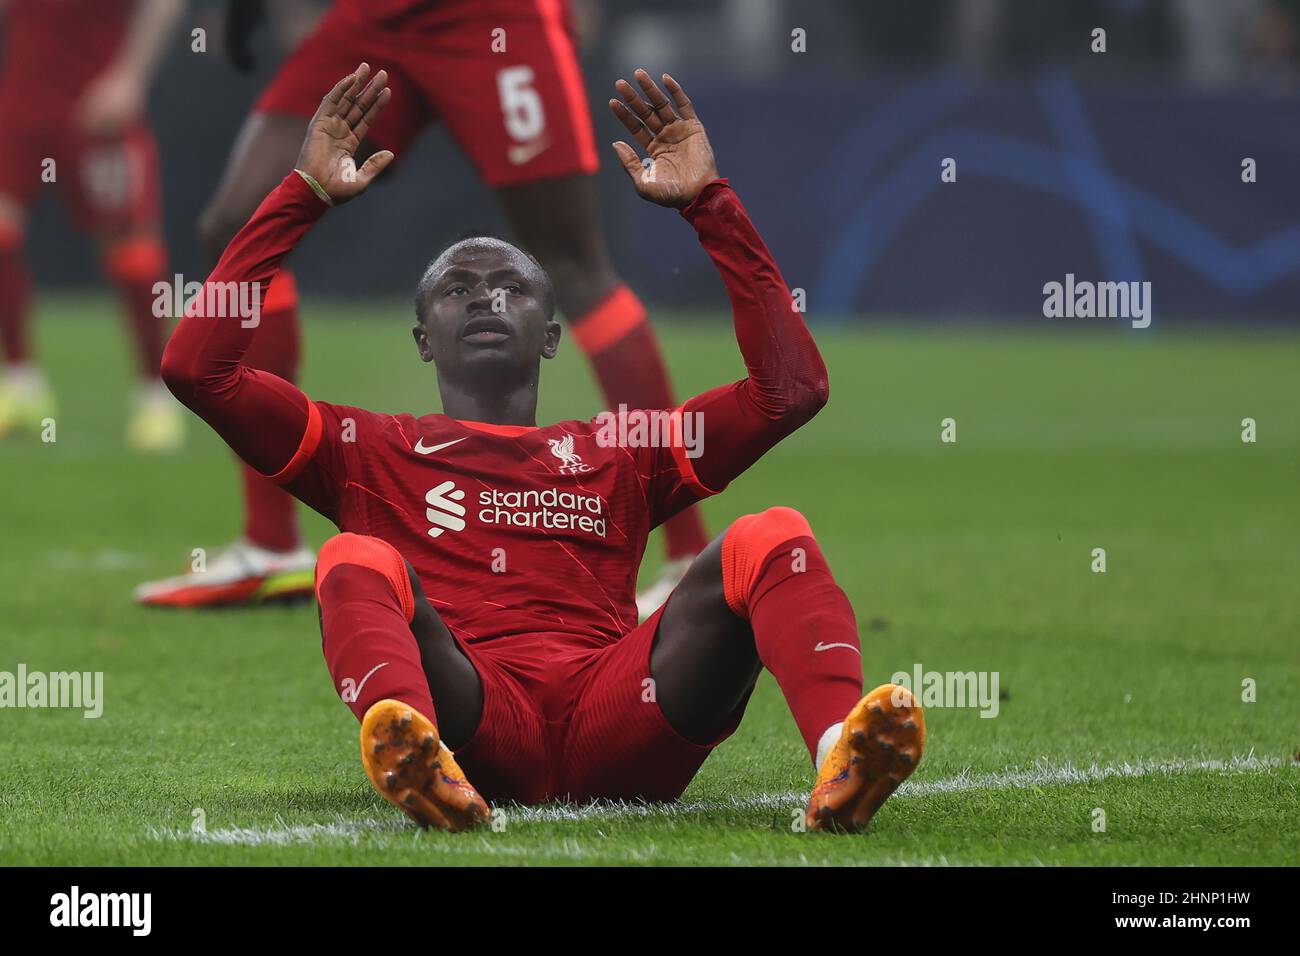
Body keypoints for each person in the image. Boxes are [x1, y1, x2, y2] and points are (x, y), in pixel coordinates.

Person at [160, 64, 926, 832]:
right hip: (476, 718)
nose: (486, 296)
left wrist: (710, 206)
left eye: (512, 287)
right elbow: (197, 369)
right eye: (457, 288)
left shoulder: (624, 450)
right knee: (350, 558)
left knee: (772, 533)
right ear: (425, 341)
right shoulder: (364, 449)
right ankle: (418, 757)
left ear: (552, 337)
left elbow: (791, 390)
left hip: (620, 713)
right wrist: (301, 196)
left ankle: (842, 757)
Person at [136, 0, 709, 610]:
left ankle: (687, 560)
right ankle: (271, 541)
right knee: (240, 220)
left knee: (575, 267)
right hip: (375, 17)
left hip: (493, 19)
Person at [0, 0, 185, 450]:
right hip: (23, 103)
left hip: (98, 106)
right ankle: (22, 382)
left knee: (132, 253)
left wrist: (130, 76)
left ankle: (155, 398)